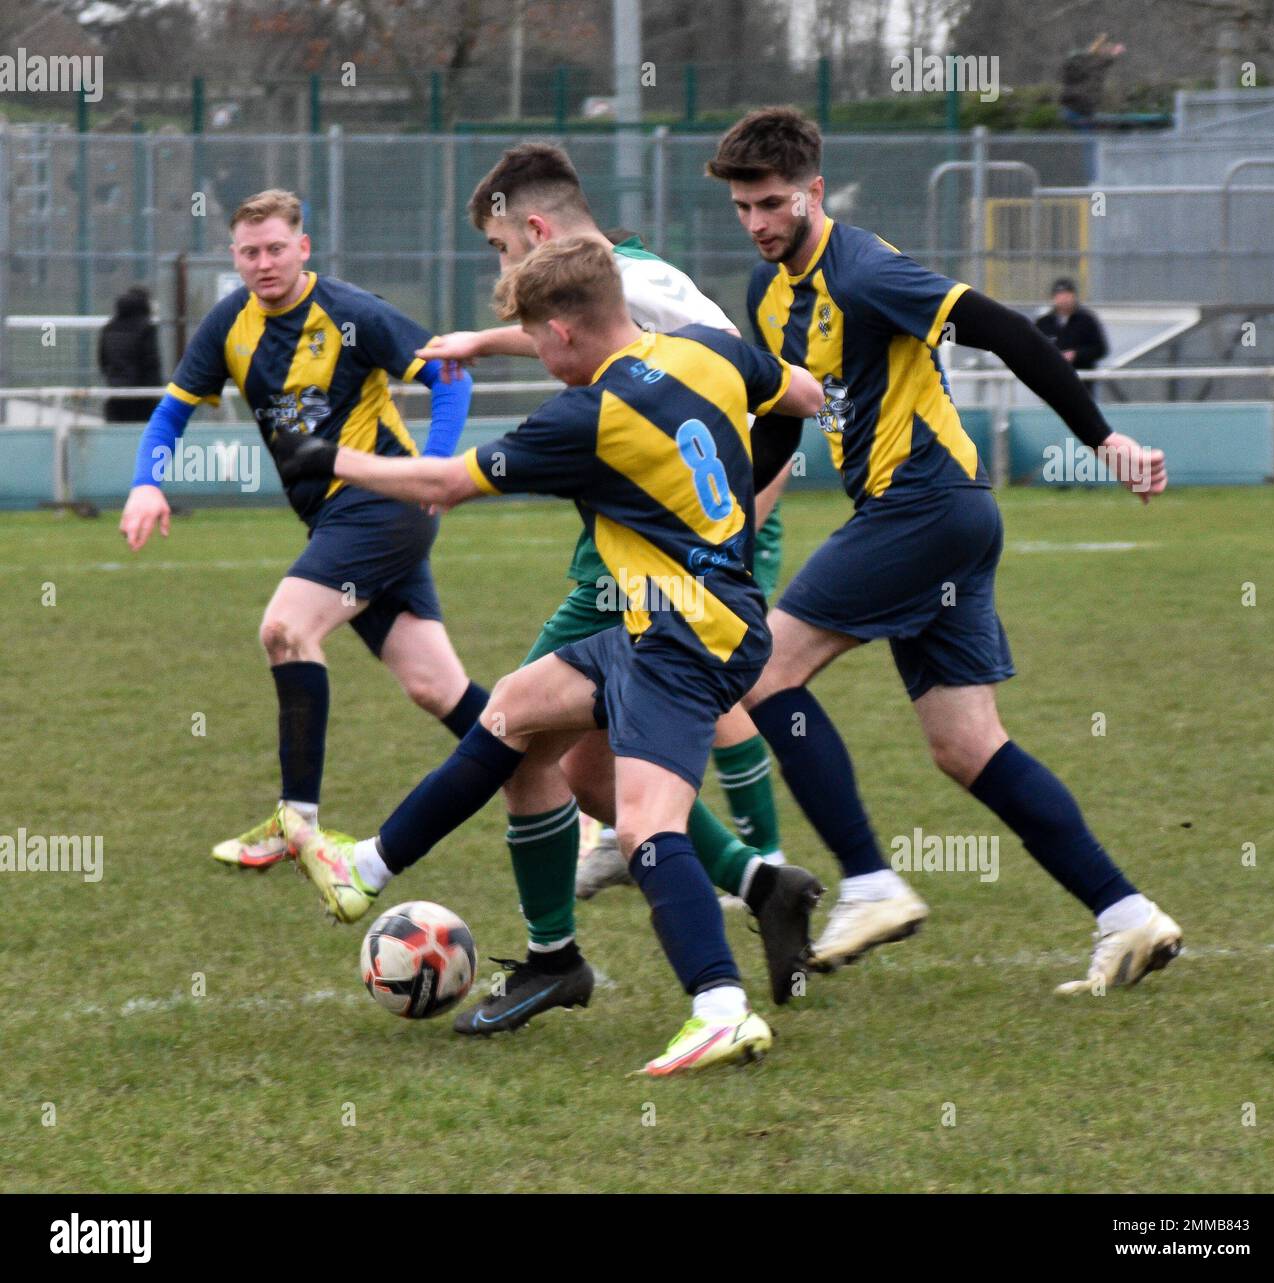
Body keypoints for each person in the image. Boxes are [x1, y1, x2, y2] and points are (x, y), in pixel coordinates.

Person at [272, 236, 826, 1075]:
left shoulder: (588, 415)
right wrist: (743, 500)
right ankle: (366, 869)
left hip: (685, 639)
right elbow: (806, 395)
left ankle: (720, 1007)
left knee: (643, 824)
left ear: (564, 332)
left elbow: (447, 485)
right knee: (513, 710)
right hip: (666, 619)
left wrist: (329, 459)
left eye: (536, 339)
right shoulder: (703, 348)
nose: (538, 355)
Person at [705, 107, 1182, 996]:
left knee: (761, 671)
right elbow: (777, 429)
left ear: (813, 191)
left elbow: (1007, 328)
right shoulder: (768, 296)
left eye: (771, 203)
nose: (758, 222)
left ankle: (871, 880)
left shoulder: (864, 269)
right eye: (741, 207)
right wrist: (723, 524)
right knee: (967, 746)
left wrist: (1102, 437)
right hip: (939, 523)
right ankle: (1127, 916)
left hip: (923, 507)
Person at [413, 144, 816, 1035]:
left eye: (499, 247)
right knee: (584, 761)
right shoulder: (608, 286)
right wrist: (482, 339)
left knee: (536, 740)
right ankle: (763, 882)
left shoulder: (647, 298)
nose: (503, 268)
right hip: (658, 543)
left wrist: (743, 512)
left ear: (537, 229)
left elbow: (752, 395)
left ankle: (572, 960)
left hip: (669, 556)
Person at [118, 189, 484, 868]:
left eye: (276, 248)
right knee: (436, 687)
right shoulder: (229, 325)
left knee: (286, 628)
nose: (264, 263)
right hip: (336, 518)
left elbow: (449, 375)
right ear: (234, 256)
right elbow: (171, 415)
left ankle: (298, 822)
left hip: (382, 503)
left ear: (303, 247)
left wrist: (436, 468)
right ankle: (558, 789)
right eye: (250, 252)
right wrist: (147, 481)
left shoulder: (351, 313)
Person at [99, 287, 163, 423]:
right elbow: (151, 364)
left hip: (115, 396)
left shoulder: (108, 329)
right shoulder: (147, 329)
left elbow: (103, 362)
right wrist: (156, 396)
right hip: (143, 399)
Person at [1035, 277, 1109, 375]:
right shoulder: (1043, 323)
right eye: (1060, 295)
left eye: (1067, 294)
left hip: (1080, 378)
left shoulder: (1086, 320)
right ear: (1053, 298)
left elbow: (1100, 349)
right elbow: (1034, 350)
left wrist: (1076, 354)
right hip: (1052, 378)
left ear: (1074, 296)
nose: (1064, 299)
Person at [1060, 35, 1125, 129]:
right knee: (1087, 139)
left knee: (1089, 136)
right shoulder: (1080, 67)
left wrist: (1113, 53)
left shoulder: (1087, 66)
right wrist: (1108, 50)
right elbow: (1095, 60)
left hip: (1083, 109)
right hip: (1077, 109)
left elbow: (1102, 62)